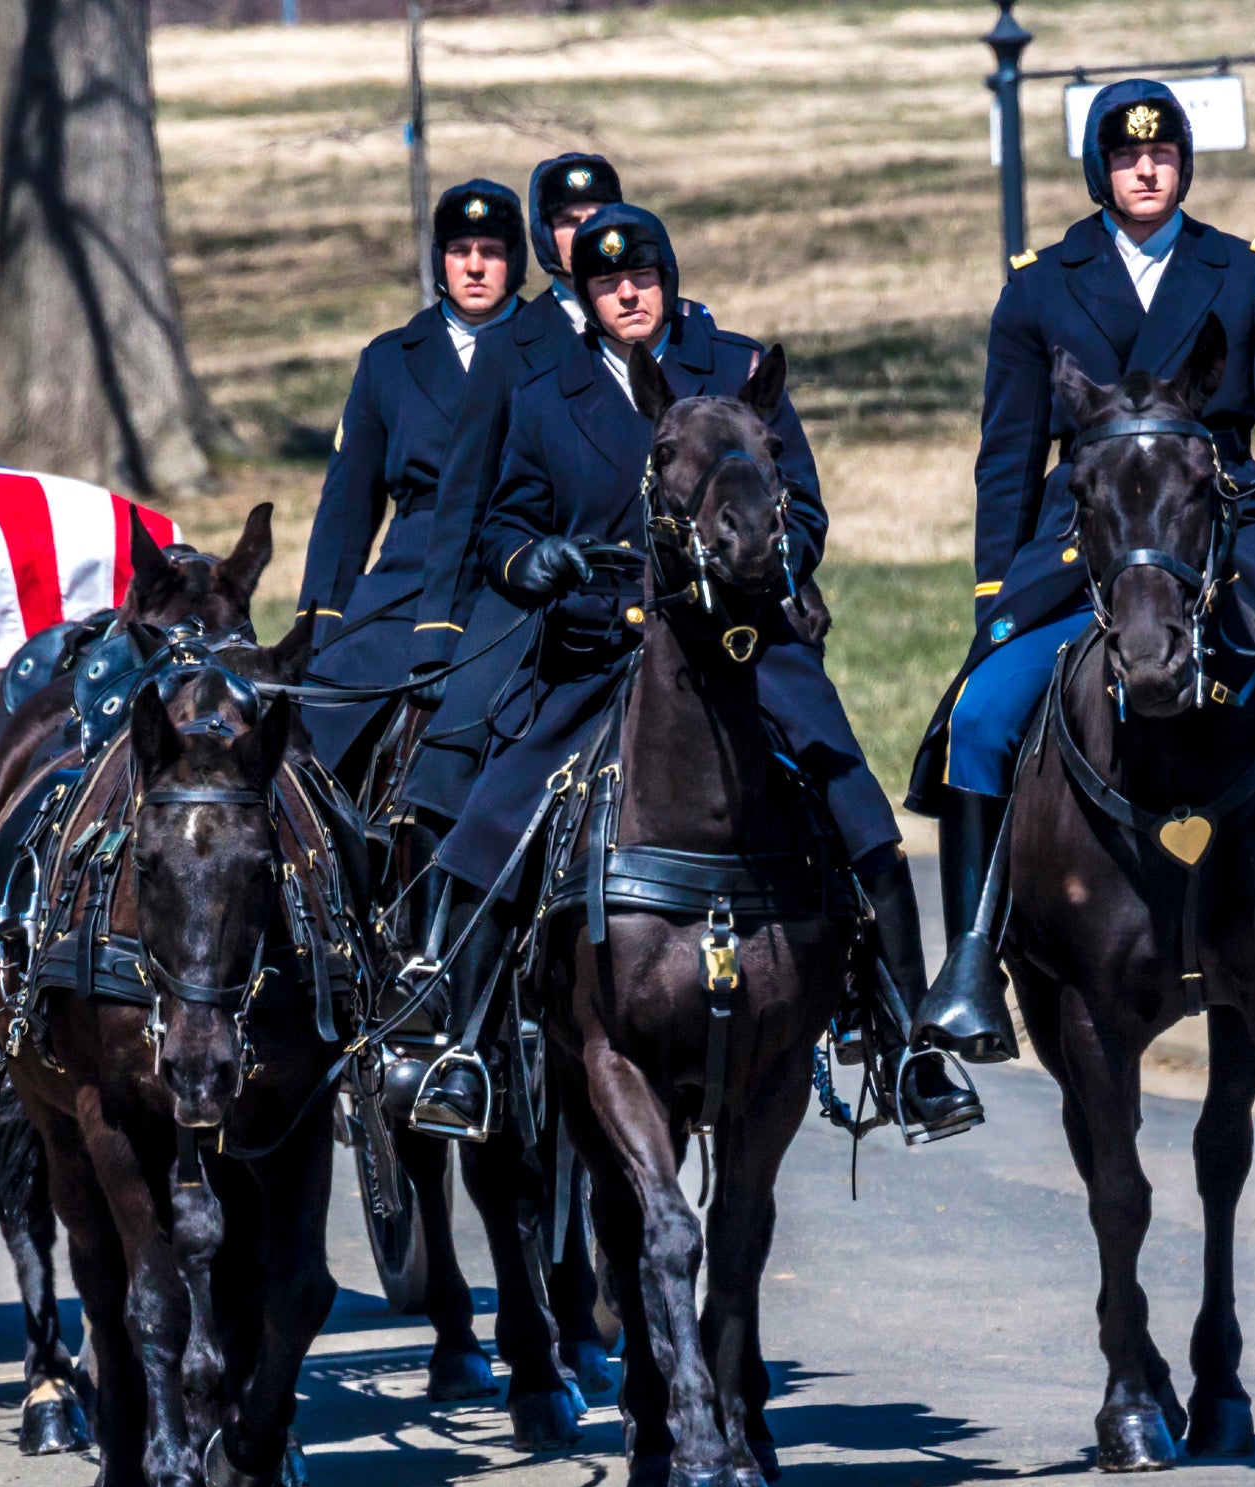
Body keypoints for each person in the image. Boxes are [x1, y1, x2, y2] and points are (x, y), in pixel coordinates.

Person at [413, 204, 982, 1142]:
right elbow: (506, 525)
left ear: (668, 279)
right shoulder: (547, 390)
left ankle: (908, 1044)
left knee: (862, 817)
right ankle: (463, 1047)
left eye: (641, 276)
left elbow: (805, 514)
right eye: (605, 282)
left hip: (751, 645)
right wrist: (536, 562)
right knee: (493, 821)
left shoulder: (739, 372)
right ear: (583, 297)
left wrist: (773, 566)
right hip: (603, 646)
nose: (626, 294)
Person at [909, 79, 1255, 1035]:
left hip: (1225, 530)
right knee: (981, 715)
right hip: (1079, 545)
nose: (1146, 169)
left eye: (1163, 153)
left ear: (1183, 163)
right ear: (1100, 167)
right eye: (1128, 156)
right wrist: (996, 595)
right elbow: (1008, 459)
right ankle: (969, 966)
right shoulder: (1040, 284)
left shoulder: (1247, 275)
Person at [398, 153, 626, 828]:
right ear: (540, 233)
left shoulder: (663, 325)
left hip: (651, 581)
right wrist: (436, 636)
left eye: (594, 218)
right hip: (531, 585)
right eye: (563, 222)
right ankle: (445, 919)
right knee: (454, 745)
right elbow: (464, 500)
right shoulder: (509, 343)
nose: (581, 234)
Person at [295, 178, 526, 786]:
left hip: (512, 571)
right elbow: (348, 510)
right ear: (439, 262)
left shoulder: (553, 346)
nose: (475, 267)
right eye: (459, 251)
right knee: (310, 740)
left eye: (493, 252)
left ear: (516, 262)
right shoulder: (390, 359)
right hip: (408, 578)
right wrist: (319, 631)